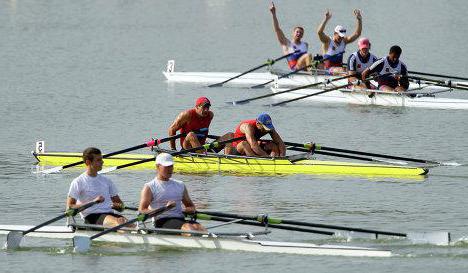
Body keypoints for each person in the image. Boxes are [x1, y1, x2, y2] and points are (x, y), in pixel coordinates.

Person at [138, 153, 206, 232]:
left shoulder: (180, 184)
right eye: (166, 167)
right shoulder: (149, 187)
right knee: (188, 227)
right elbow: (142, 210)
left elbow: (191, 206)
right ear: (157, 167)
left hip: (180, 219)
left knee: (199, 228)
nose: (170, 169)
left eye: (171, 166)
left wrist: (187, 210)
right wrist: (165, 209)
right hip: (162, 221)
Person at [67, 147, 128, 226]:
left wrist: (119, 206)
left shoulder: (107, 181)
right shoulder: (78, 182)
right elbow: (70, 207)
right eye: (98, 160)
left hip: (110, 215)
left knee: (132, 226)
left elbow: (120, 206)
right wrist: (93, 202)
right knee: (120, 223)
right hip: (92, 217)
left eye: (101, 159)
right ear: (88, 162)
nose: (102, 162)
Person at [168, 97, 233, 154]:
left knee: (229, 135)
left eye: (208, 107)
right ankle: (204, 157)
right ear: (197, 107)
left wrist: (221, 140)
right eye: (204, 107)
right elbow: (171, 130)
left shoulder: (210, 115)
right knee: (191, 135)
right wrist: (173, 149)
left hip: (203, 147)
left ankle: (228, 158)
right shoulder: (187, 115)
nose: (206, 110)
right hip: (188, 148)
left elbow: (203, 132)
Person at [317, 9, 362, 75]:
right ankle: (352, 82)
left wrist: (359, 20)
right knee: (343, 70)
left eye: (342, 36)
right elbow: (319, 32)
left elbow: (357, 34)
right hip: (328, 70)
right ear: (335, 33)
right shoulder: (327, 41)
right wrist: (326, 19)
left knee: (354, 69)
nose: (341, 38)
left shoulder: (344, 41)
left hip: (339, 70)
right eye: (339, 36)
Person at [270, 2, 312, 71]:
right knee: (308, 55)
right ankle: (313, 74)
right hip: (295, 68)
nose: (299, 34)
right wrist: (273, 14)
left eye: (301, 33)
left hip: (304, 68)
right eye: (297, 32)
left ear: (303, 35)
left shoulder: (305, 44)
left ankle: (325, 75)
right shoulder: (286, 44)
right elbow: (277, 29)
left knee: (318, 58)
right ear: (293, 33)